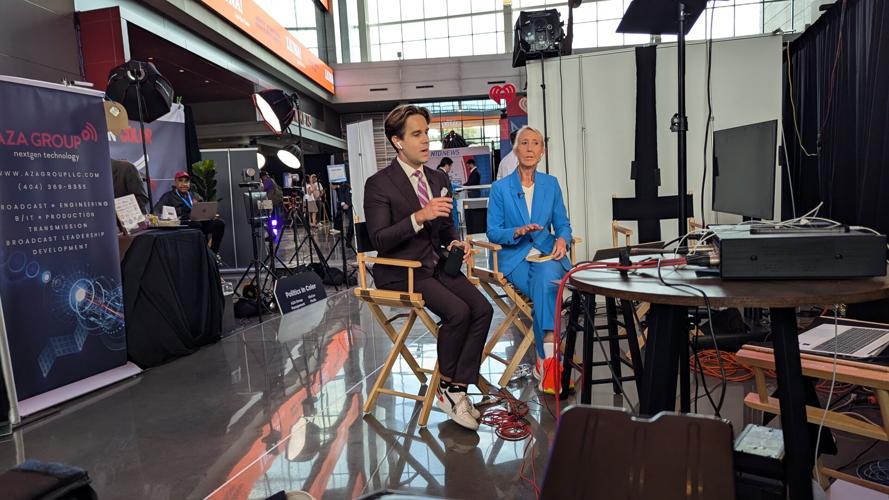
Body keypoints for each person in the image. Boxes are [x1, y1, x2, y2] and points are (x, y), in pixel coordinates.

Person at [364, 104, 493, 431]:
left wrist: (454, 242)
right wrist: (419, 216)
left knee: (481, 308)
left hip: (437, 266)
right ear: (397, 141)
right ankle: (451, 391)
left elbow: (446, 225)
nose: (426, 141)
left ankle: (455, 388)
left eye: (427, 134)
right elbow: (380, 239)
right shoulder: (379, 184)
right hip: (401, 271)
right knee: (458, 312)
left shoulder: (437, 177)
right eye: (416, 134)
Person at [486, 126, 573, 395]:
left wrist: (562, 240)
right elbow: (493, 231)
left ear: (542, 151)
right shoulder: (500, 188)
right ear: (515, 149)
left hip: (548, 252)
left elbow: (562, 224)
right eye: (524, 143)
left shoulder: (551, 184)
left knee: (546, 277)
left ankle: (544, 357)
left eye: (536, 143)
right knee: (547, 284)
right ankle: (550, 356)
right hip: (515, 258)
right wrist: (517, 231)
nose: (530, 148)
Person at [153, 171, 226, 254]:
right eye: (181, 181)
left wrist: (211, 215)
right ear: (175, 182)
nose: (184, 184)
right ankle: (200, 253)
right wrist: (167, 218)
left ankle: (213, 253)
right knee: (196, 224)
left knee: (220, 223)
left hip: (200, 222)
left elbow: (204, 209)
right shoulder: (168, 196)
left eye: (186, 181)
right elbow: (156, 211)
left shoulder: (194, 195)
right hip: (182, 224)